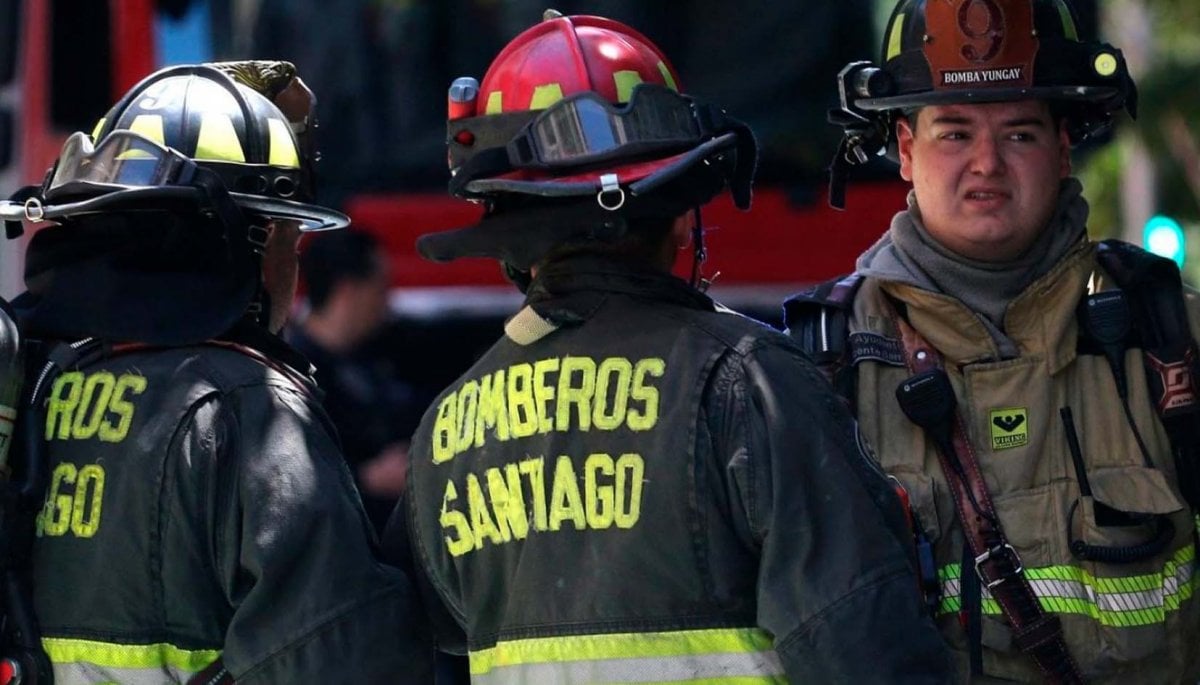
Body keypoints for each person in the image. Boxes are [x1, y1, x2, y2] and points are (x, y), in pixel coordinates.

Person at [384, 11, 950, 683]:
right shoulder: (754, 387)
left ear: (506, 229)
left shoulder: (444, 434)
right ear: (685, 215)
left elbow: (412, 641)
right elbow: (865, 653)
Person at [785, 0, 1200, 681]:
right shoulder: (820, 367)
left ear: (1063, 145)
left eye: (1018, 134)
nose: (986, 164)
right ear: (906, 149)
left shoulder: (1171, 338)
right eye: (953, 133)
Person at [0, 62, 431, 683]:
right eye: (289, 238)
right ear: (252, 242)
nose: (295, 266)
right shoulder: (243, 407)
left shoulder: (25, 377)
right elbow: (345, 658)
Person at [289, 230, 428, 530]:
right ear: (348, 291)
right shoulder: (291, 373)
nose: (387, 302)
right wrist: (368, 479)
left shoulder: (381, 355)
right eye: (380, 288)